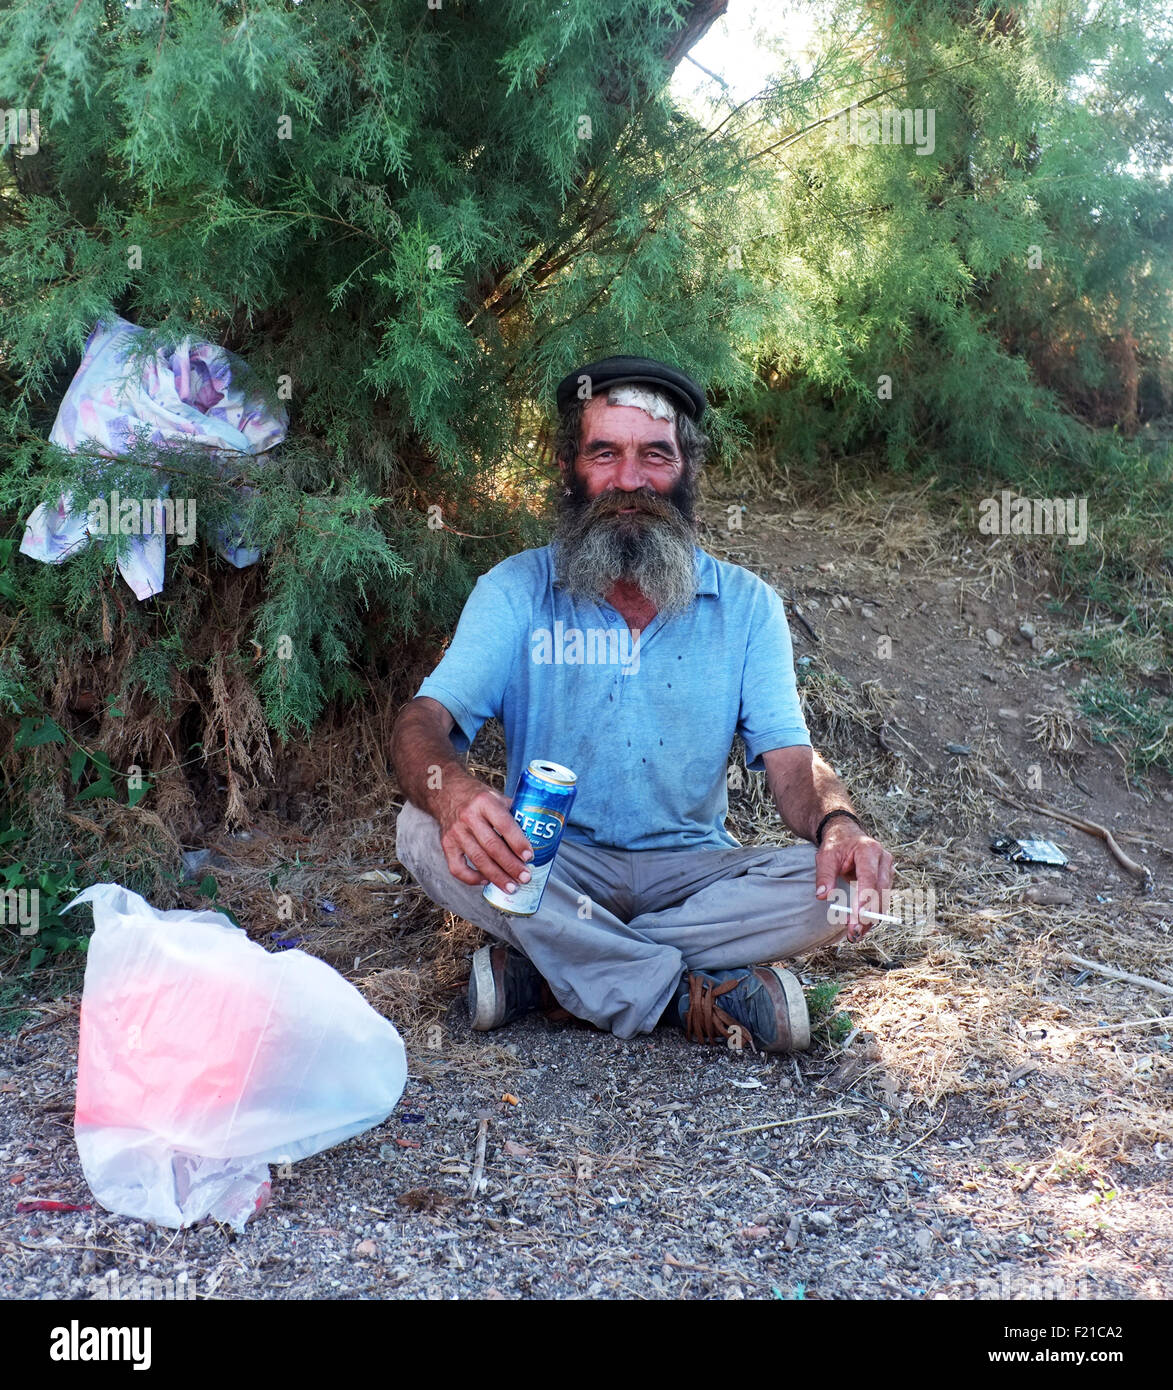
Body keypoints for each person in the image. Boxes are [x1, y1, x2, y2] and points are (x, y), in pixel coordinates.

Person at [391, 355, 894, 1053]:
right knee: (418, 831)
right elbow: (422, 723)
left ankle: (552, 969)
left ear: (687, 468)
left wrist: (838, 823)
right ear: (571, 466)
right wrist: (454, 796)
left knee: (842, 888)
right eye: (605, 453)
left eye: (654, 455)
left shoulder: (747, 606)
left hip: (693, 876)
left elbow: (790, 761)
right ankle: (686, 990)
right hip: (551, 863)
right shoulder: (513, 590)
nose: (629, 480)